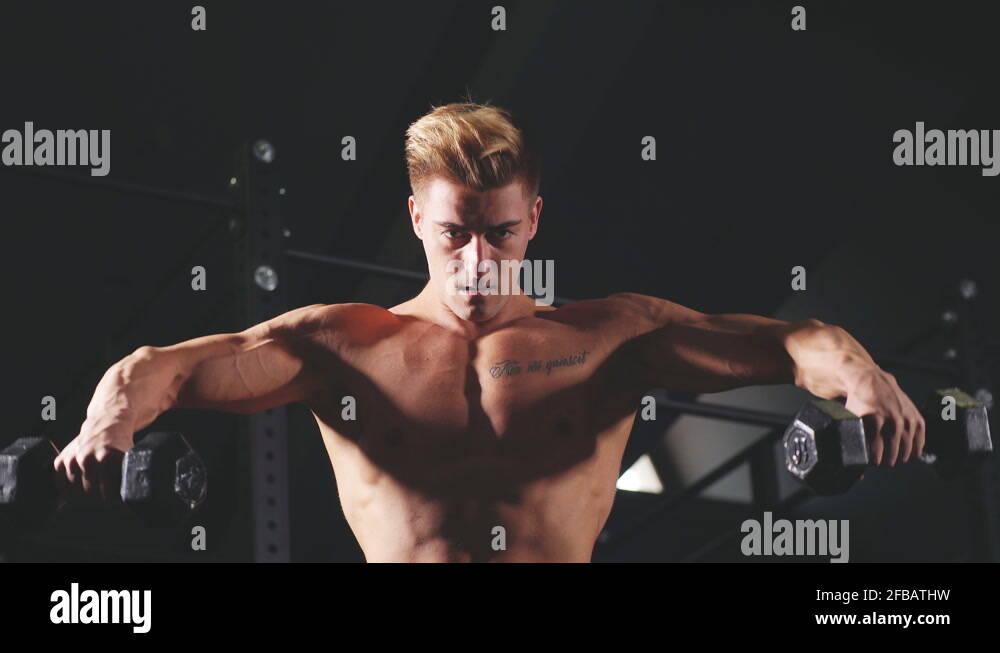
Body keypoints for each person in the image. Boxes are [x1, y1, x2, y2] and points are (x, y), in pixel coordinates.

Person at [55, 102, 925, 562]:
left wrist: (860, 374)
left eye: (500, 231)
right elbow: (161, 366)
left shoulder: (612, 336)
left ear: (534, 218)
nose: (477, 257)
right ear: (414, 219)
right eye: (452, 232)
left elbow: (790, 340)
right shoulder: (340, 345)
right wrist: (107, 423)